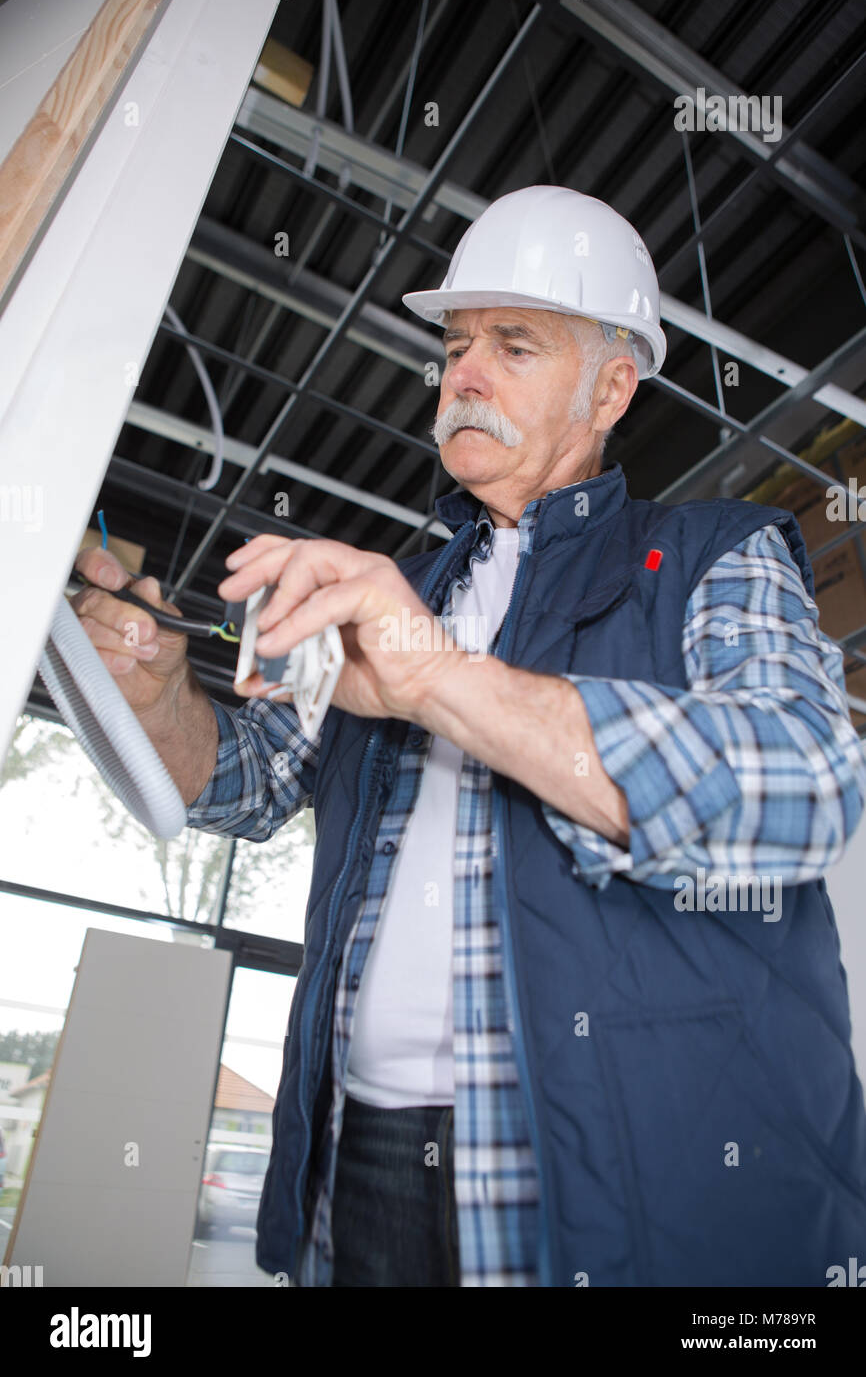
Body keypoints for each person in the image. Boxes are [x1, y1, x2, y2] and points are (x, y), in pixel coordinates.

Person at [72, 186, 866, 1287]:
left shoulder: (709, 556)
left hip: (623, 1176)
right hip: (366, 1161)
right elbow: (245, 786)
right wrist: (157, 695)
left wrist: (435, 676)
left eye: (513, 343)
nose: (464, 376)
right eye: (453, 347)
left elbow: (802, 784)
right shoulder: (401, 594)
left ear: (611, 386)